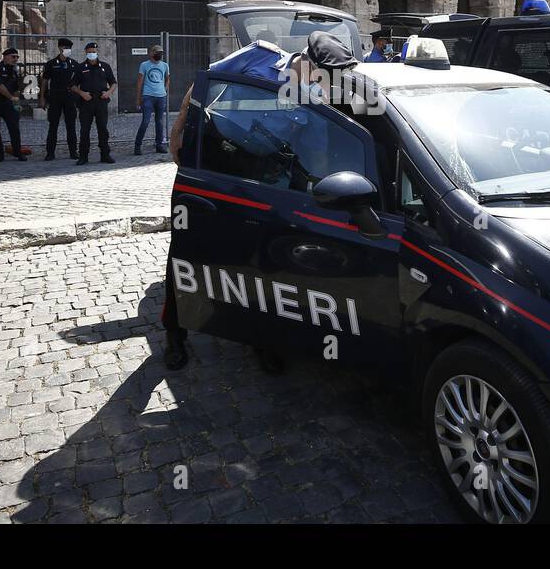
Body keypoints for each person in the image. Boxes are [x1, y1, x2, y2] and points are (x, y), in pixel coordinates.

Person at [161, 31, 359, 370]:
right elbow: (202, 85)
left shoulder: (313, 101)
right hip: (213, 158)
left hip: (258, 176)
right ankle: (174, 332)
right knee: (187, 252)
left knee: (256, 261)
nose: (327, 85)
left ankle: (262, 338)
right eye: (325, 77)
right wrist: (179, 132)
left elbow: (313, 155)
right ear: (308, 63)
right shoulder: (260, 56)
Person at [72, 42, 116, 165]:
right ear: (86, 52)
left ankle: (105, 155)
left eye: (94, 51)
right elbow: (73, 86)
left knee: (103, 129)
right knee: (84, 130)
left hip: (101, 101)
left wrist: (109, 92)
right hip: (86, 102)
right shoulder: (81, 67)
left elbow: (113, 82)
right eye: (89, 52)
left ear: (97, 52)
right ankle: (83, 157)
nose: (92, 54)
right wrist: (82, 93)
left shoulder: (105, 66)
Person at [0, 47, 27, 162]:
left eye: (17, 57)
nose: (16, 59)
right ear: (5, 56)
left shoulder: (13, 71)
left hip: (7, 103)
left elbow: (16, 88)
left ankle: (17, 152)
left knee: (14, 127)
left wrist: (16, 102)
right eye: (13, 57)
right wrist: (11, 97)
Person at [40, 38, 80, 160]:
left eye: (69, 48)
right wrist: (42, 97)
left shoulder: (74, 63)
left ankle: (73, 151)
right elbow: (45, 81)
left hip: (69, 97)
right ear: (60, 48)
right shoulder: (51, 64)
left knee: (71, 125)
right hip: (55, 96)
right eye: (65, 48)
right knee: (53, 125)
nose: (68, 50)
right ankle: (50, 153)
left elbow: (78, 81)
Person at [134, 43, 170, 156]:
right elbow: (139, 82)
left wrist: (165, 89)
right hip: (148, 96)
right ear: (151, 53)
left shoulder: (165, 65)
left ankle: (159, 144)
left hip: (161, 97)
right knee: (145, 121)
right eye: (157, 52)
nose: (159, 54)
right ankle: (137, 145)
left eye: (161, 53)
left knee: (159, 122)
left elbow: (168, 78)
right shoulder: (144, 65)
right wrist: (138, 98)